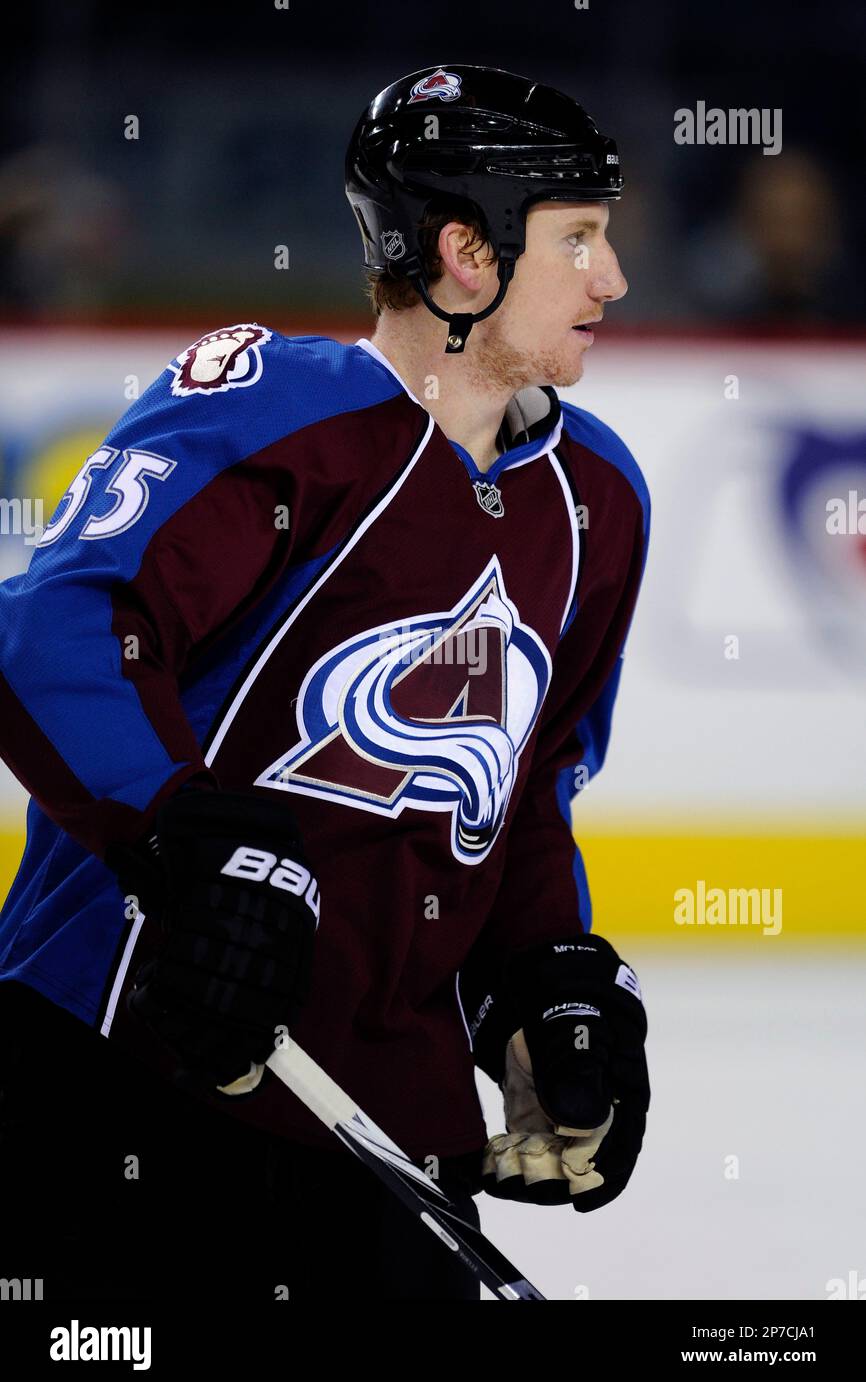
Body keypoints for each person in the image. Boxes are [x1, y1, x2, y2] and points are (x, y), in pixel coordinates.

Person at [0, 63, 651, 1302]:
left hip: (385, 1124)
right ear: (467, 252)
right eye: (576, 239)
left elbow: (518, 797)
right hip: (120, 1071)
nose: (609, 278)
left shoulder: (597, 498)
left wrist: (540, 984)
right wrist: (184, 838)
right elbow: (59, 629)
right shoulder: (284, 413)